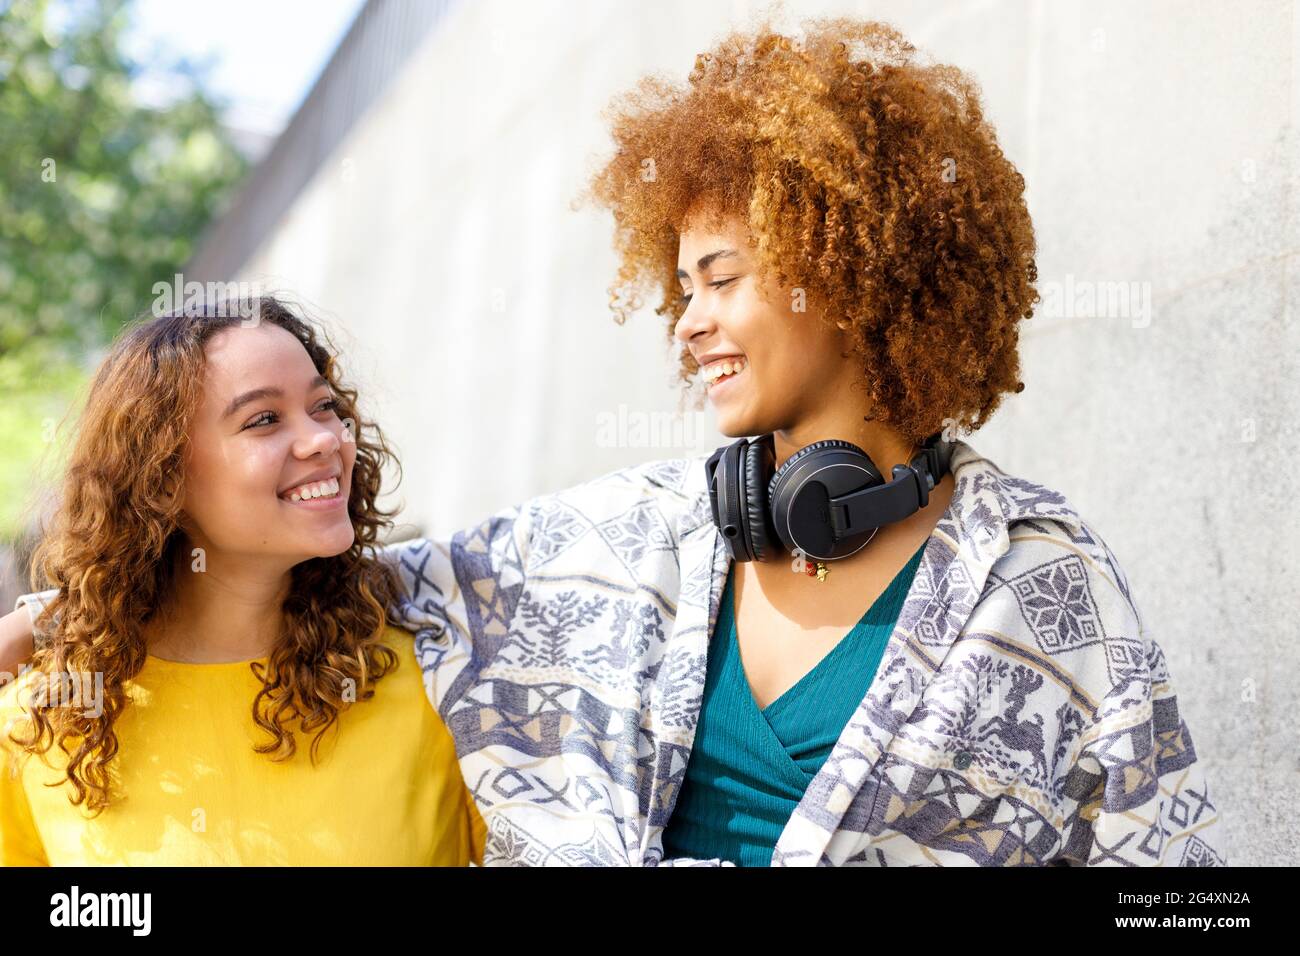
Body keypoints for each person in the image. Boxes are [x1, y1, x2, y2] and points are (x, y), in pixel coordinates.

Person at [4, 16, 1227, 866]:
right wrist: (106, 601)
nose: (687, 322)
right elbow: (329, 570)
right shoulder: (623, 536)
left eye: (719, 278)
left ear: (851, 267)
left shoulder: (1044, 582)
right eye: (676, 285)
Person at [0, 298, 484, 865]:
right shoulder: (42, 721)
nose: (325, 439)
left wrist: (41, 617)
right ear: (162, 480)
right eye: (263, 419)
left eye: (323, 406)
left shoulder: (445, 680)